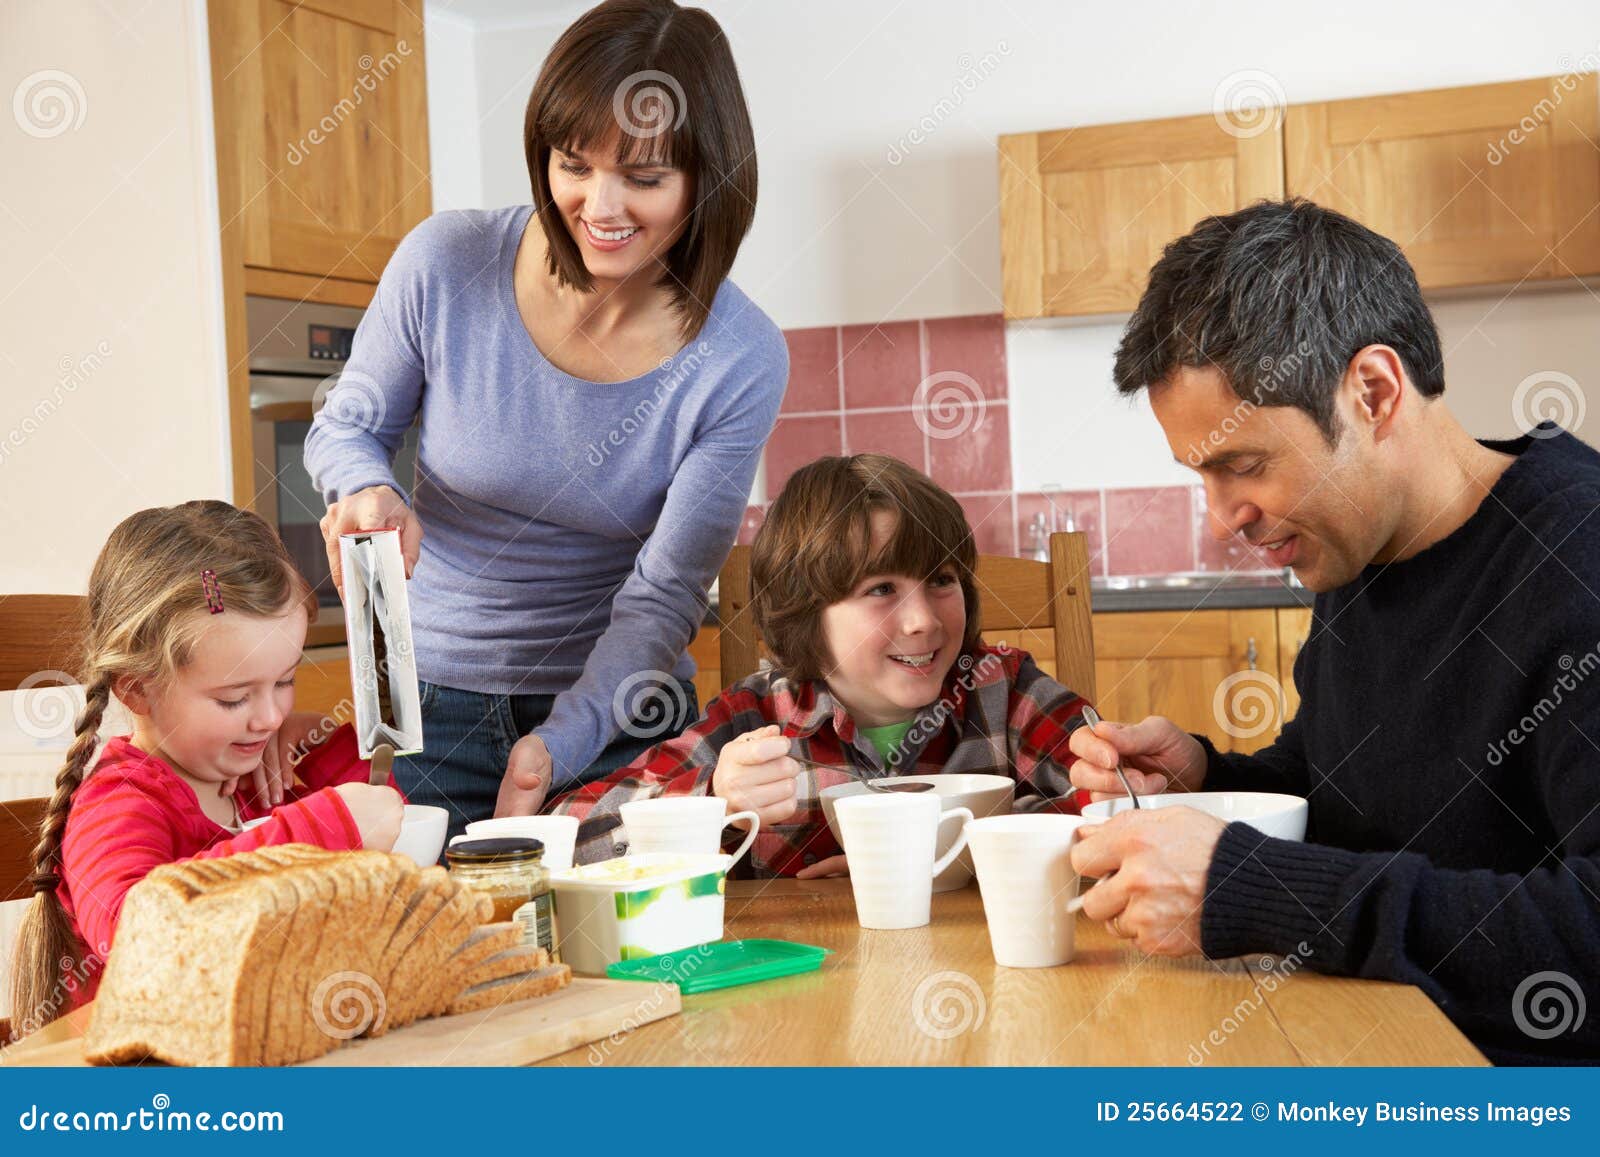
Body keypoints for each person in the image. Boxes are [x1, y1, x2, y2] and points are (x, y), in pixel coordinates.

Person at [1066, 198, 1600, 1064]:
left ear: (1374, 392)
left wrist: (1252, 885)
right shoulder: (1360, 549)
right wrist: (1207, 776)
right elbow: (1356, 792)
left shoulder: (1577, 561)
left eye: (1243, 465)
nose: (1221, 519)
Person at [306, 0, 788, 842]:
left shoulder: (738, 357)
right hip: (428, 703)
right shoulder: (446, 262)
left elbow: (664, 593)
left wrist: (557, 747)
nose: (600, 206)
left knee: (635, 953)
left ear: (706, 180)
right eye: (574, 163)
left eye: (642, 178)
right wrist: (367, 486)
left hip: (619, 713)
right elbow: (346, 425)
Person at [544, 454, 1091, 876]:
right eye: (881, 589)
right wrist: (709, 806)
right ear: (806, 616)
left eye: (942, 581)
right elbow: (558, 840)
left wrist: (954, 861)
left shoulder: (1006, 689)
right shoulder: (754, 718)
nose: (923, 620)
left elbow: (1124, 808)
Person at [7, 502, 403, 1037]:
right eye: (235, 698)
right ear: (137, 689)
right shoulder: (120, 802)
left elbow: (387, 824)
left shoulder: (257, 775)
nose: (268, 716)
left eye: (284, 681)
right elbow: (140, 936)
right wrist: (320, 828)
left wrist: (319, 743)